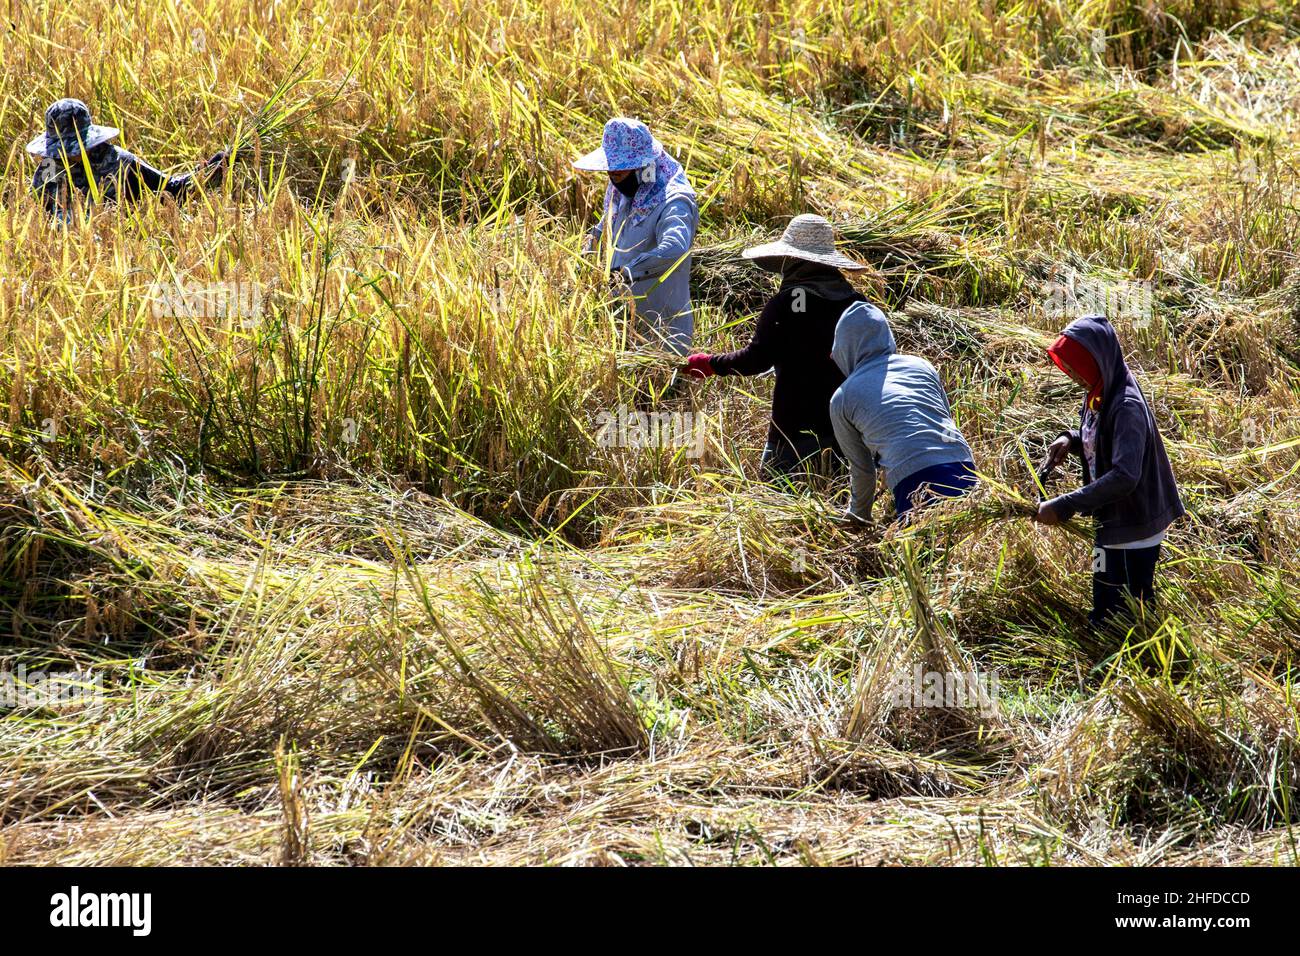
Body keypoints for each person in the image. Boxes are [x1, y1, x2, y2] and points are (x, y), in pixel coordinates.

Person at [682, 214, 866, 478]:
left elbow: (755, 360)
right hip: (847, 428)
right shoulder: (856, 303)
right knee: (836, 500)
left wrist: (709, 364)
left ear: (793, 259)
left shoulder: (788, 303)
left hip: (794, 429)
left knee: (779, 491)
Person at [1034, 314, 1184, 629]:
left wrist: (1064, 505)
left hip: (1134, 520)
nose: (1071, 373)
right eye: (1068, 366)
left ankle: (1140, 665)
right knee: (1106, 598)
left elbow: (1125, 476)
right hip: (1114, 518)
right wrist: (1070, 440)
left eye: (1076, 365)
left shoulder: (1125, 405)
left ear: (1097, 360)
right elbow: (1098, 439)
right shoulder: (1099, 392)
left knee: (1126, 611)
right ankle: (1110, 645)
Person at [829, 301, 976, 521]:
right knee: (968, 544)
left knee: (925, 552)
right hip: (962, 462)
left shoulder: (843, 397)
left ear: (843, 348)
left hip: (915, 479)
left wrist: (858, 517)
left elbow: (863, 470)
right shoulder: (921, 365)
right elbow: (944, 419)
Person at [574, 117, 698, 356]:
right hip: (619, 323)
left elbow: (675, 247)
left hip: (661, 331)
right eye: (610, 172)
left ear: (644, 166)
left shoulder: (675, 200)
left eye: (620, 172)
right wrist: (586, 256)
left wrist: (627, 273)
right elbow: (604, 226)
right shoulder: (621, 191)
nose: (613, 177)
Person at [26, 98, 226, 223]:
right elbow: (34, 210)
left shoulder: (120, 162)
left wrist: (209, 169)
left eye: (71, 147)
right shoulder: (50, 165)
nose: (67, 154)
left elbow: (171, 190)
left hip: (112, 249)